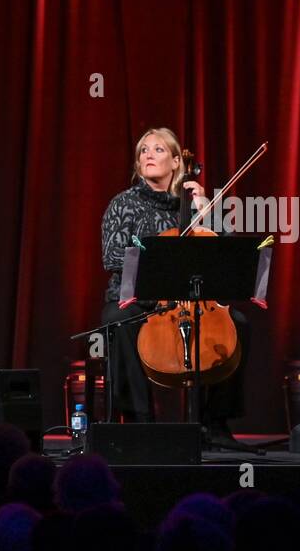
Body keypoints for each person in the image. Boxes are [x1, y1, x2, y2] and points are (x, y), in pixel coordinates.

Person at [99, 127, 250, 445]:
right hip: (138, 301)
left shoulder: (195, 204)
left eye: (158, 150)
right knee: (116, 321)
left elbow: (227, 251)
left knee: (239, 324)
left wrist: (208, 213)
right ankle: (142, 423)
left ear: (177, 160)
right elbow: (112, 257)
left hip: (192, 302)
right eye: (143, 151)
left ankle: (217, 424)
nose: (148, 156)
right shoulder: (124, 204)